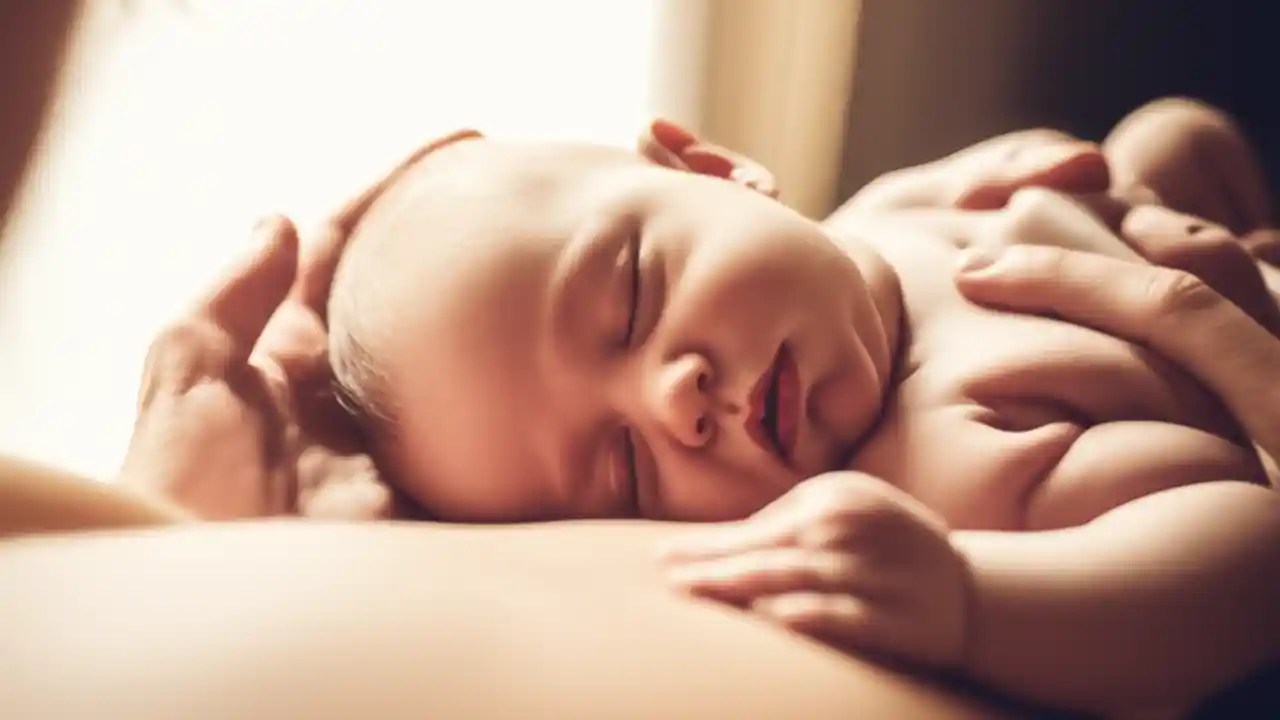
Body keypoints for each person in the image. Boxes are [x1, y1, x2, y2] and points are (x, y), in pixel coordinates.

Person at [250, 97, 1274, 715]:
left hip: (1219, 274)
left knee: (1176, 136)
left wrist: (1118, 175)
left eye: (631, 289)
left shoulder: (884, 211)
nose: (675, 401)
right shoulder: (934, 487)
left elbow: (1094, 186)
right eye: (623, 474)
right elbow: (1244, 554)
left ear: (716, 169)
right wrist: (972, 604)